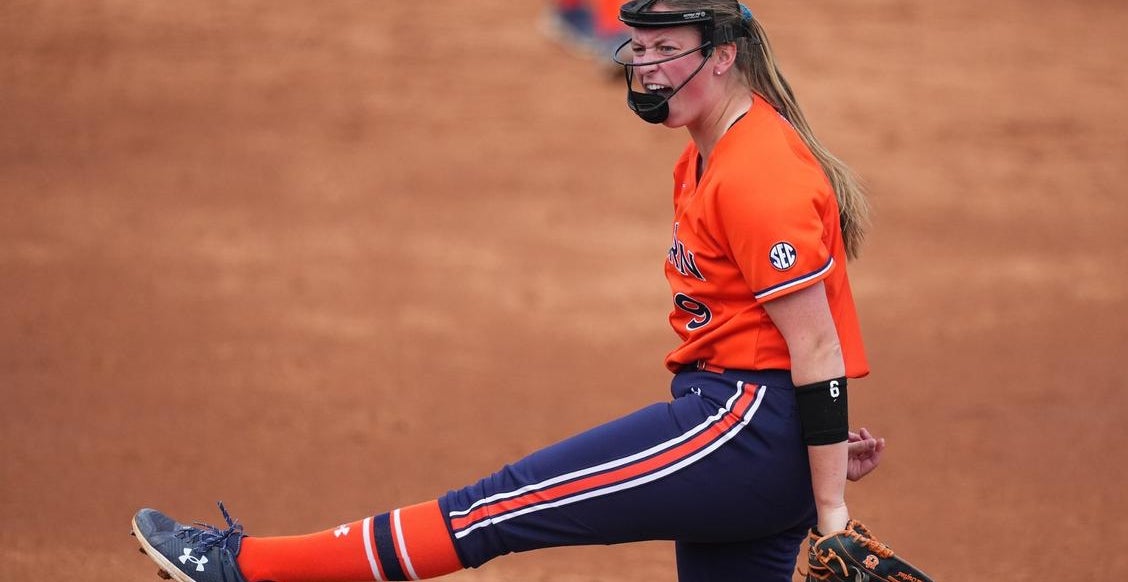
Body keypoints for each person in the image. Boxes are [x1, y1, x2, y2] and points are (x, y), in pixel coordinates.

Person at [131, 2, 920, 581]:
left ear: (722, 54)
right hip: (754, 435)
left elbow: (815, 346)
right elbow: (793, 349)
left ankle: (245, 569)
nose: (643, 64)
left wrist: (829, 512)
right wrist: (803, 447)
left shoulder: (758, 174)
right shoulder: (709, 150)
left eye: (665, 48)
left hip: (739, 427)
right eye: (636, 45)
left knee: (495, 508)